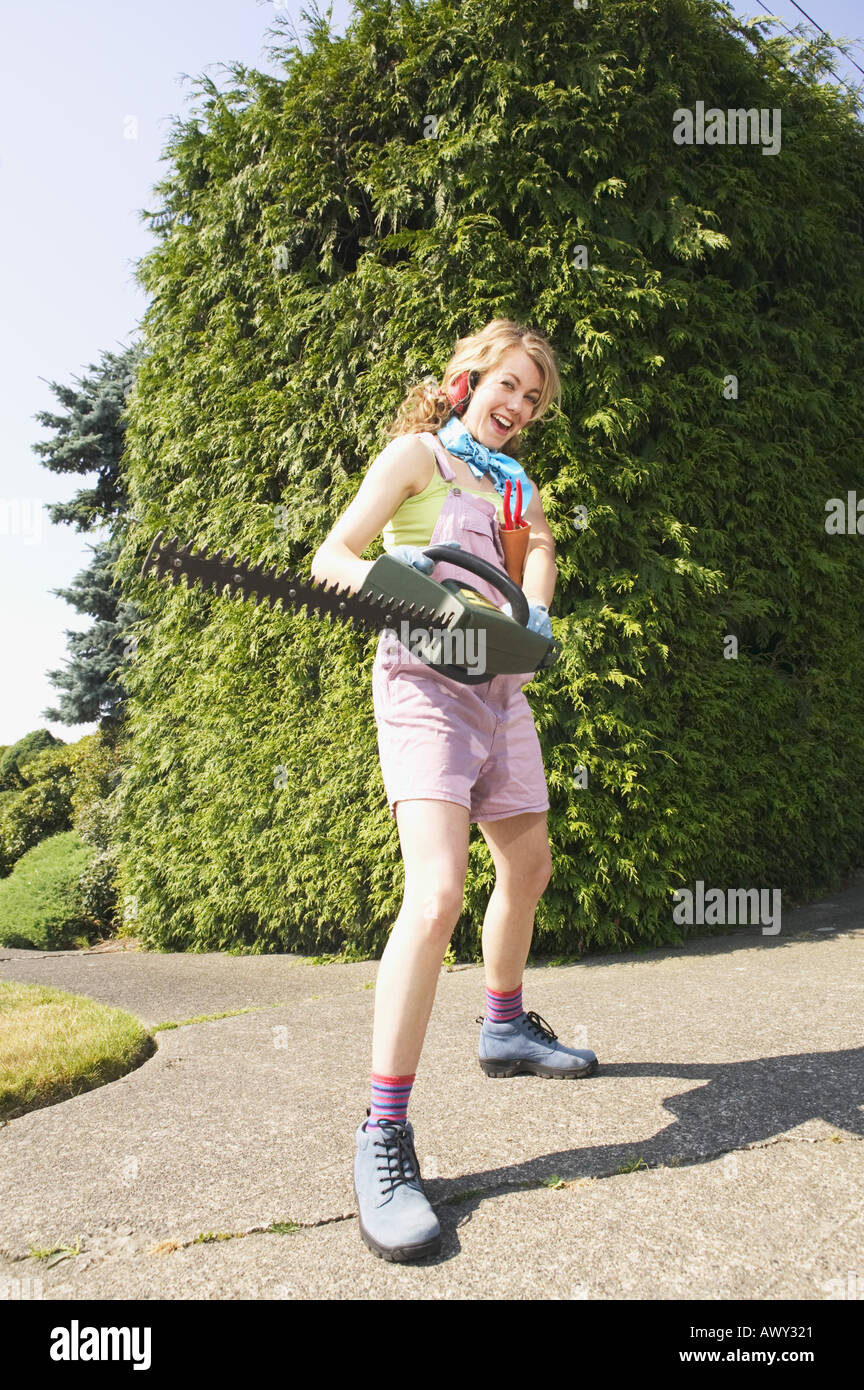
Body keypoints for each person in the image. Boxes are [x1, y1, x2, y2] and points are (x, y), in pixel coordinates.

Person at [310, 318, 598, 1263]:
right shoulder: (418, 456)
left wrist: (539, 607)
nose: (518, 405)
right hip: (426, 685)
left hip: (501, 690)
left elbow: (538, 549)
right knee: (434, 897)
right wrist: (422, 602)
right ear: (466, 377)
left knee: (530, 861)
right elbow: (335, 556)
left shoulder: (518, 486)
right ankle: (382, 1134)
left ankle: (504, 1027)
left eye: (533, 398)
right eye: (509, 383)